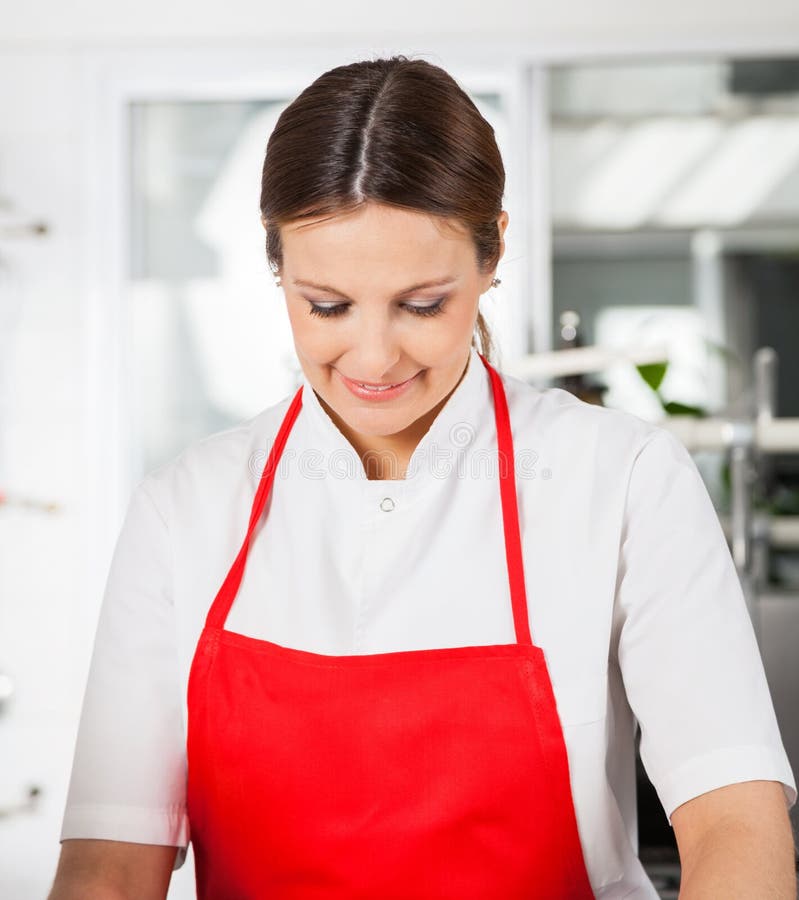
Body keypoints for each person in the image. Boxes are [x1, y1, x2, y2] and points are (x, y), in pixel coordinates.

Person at [50, 55, 797, 899]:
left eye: (421, 304)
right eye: (326, 305)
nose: (373, 357)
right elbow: (109, 867)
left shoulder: (621, 478)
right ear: (277, 265)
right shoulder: (184, 510)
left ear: (492, 252)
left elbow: (735, 822)